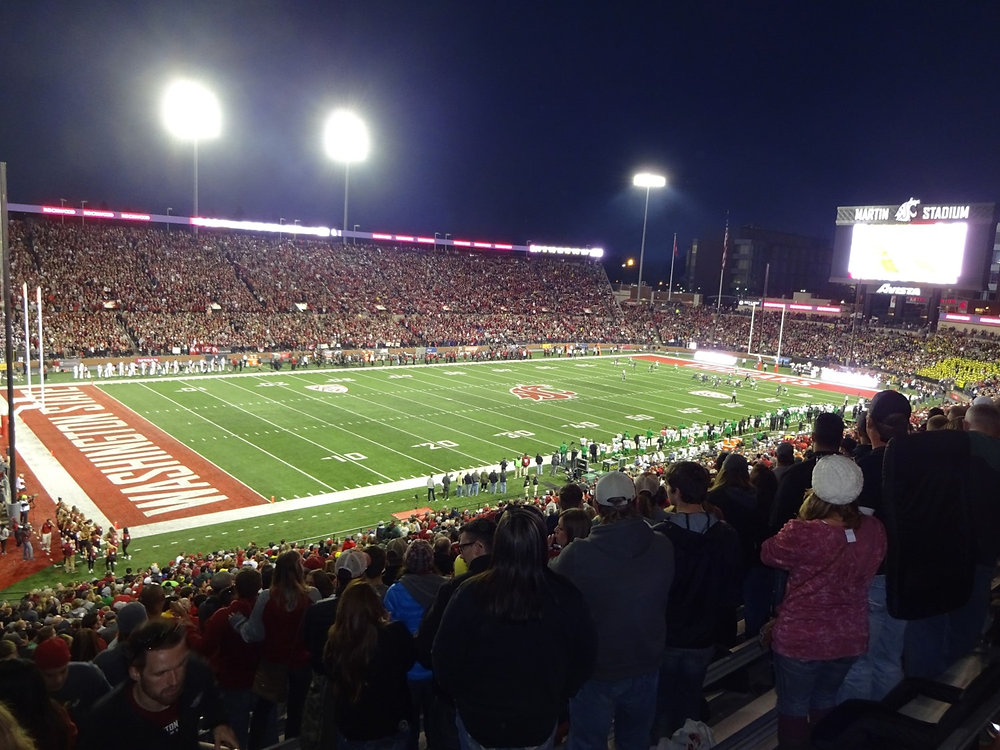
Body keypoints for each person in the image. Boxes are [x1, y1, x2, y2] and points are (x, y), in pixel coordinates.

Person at [435, 507, 596, 749]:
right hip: (535, 721)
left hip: (482, 721)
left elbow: (444, 659)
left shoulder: (468, 593)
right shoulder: (565, 594)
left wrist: (466, 699)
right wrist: (557, 696)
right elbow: (584, 658)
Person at [761, 455, 886, 750]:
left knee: (793, 706)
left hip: (801, 638)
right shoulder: (874, 528)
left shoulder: (803, 531)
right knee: (826, 701)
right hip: (849, 635)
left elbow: (768, 553)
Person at [549, 471, 674, 750]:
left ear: (595, 506)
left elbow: (547, 590)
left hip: (597, 670)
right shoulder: (663, 545)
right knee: (635, 741)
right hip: (646, 661)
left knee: (588, 743)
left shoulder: (578, 554)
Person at [652, 461, 742, 739]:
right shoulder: (726, 534)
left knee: (663, 707)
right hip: (704, 635)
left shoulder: (661, 537)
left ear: (675, 493)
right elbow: (731, 589)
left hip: (669, 635)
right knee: (690, 701)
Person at [838, 389, 911, 703]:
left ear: (870, 423)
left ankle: (858, 729)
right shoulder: (922, 459)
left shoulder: (868, 466)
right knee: (890, 656)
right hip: (907, 570)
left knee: (859, 660)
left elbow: (858, 529)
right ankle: (887, 722)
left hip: (874, 575)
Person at [78, 618, 239, 750]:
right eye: (161, 673)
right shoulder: (104, 724)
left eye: (181, 665)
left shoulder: (196, 671)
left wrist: (219, 722)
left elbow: (210, 694)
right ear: (135, 672)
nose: (174, 680)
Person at [230, 549, 319, 748]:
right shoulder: (312, 595)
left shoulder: (267, 597)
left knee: (263, 712)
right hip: (302, 664)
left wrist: (238, 623)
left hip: (273, 663)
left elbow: (254, 634)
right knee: (296, 713)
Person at [324, 580, 416, 749]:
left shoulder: (336, 640)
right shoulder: (394, 633)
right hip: (390, 720)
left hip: (351, 724)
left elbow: (330, 672)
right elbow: (408, 662)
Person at [383, 539, 448, 750]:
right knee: (437, 729)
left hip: (408, 672)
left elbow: (389, 635)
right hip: (436, 668)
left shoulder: (394, 592)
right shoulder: (445, 587)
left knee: (407, 732)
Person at [202, 568, 263, 750]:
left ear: (236, 587)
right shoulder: (267, 608)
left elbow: (204, 648)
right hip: (262, 680)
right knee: (267, 728)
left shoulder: (223, 616)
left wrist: (187, 626)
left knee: (236, 734)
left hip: (233, 683)